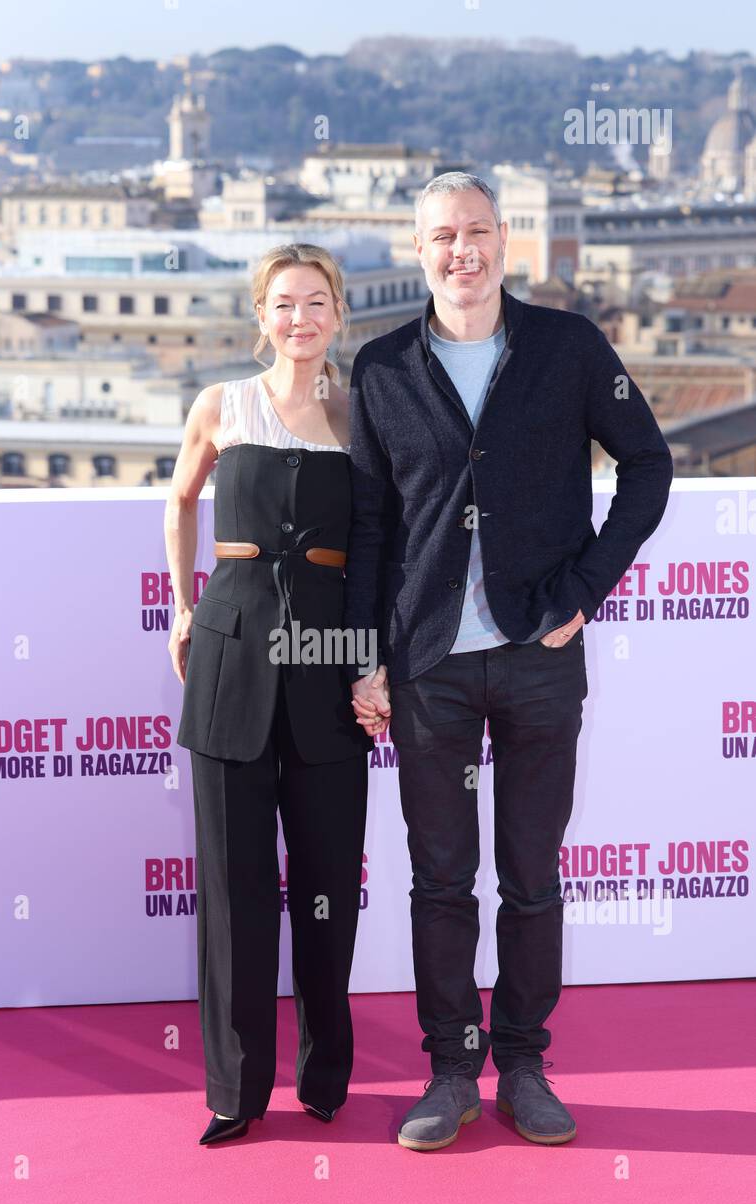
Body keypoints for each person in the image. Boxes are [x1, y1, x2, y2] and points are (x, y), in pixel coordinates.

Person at [347, 172, 673, 1152]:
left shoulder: (568, 347)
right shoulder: (380, 369)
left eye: (477, 232)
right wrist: (364, 658)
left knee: (531, 874)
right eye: (443, 235)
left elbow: (648, 466)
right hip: (427, 665)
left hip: (538, 657)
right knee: (441, 879)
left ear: (503, 240)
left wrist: (584, 590)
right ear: (417, 249)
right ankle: (449, 1068)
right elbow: (368, 524)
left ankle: (523, 1062)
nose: (463, 250)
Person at [164, 243, 386, 1146]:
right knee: (233, 889)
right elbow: (181, 500)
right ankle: (235, 1090)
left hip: (333, 661)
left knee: (329, 883)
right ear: (261, 316)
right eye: (284, 304)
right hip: (230, 651)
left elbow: (384, 547)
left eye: (317, 302)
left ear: (339, 313)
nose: (301, 318)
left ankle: (326, 1075)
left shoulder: (364, 415)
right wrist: (182, 609)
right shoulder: (221, 404)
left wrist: (376, 660)